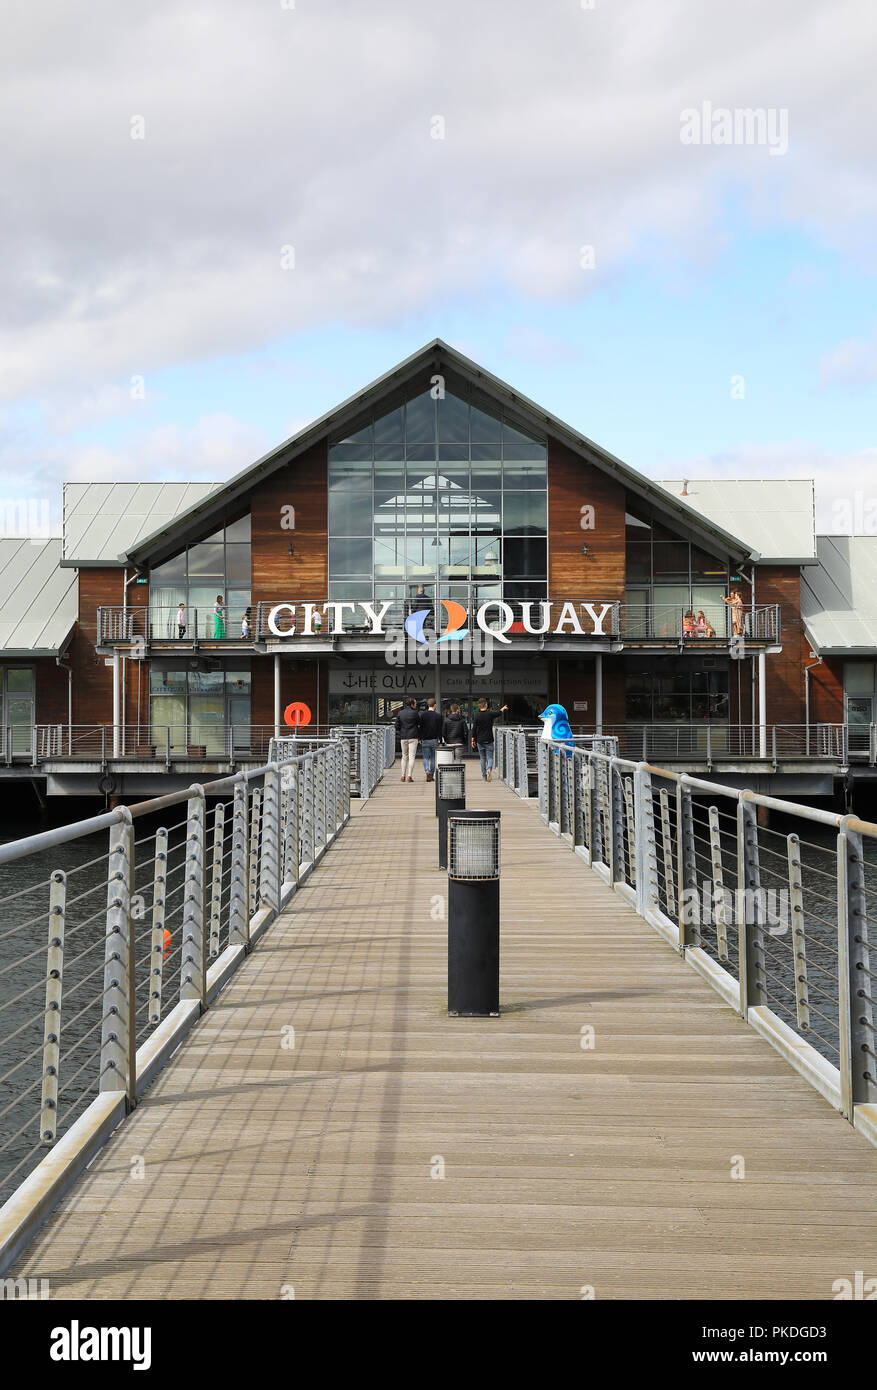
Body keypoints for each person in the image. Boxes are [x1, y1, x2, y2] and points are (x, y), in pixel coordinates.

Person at [471, 697, 508, 780]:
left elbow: (474, 728)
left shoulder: (476, 715)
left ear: (479, 706)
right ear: (486, 704)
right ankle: (489, 769)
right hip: (489, 739)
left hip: (480, 740)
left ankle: (484, 776)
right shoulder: (490, 713)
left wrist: (473, 739)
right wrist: (503, 708)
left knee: (482, 758)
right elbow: (499, 713)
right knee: (490, 758)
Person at [395, 697, 421, 782]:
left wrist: (402, 731)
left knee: (404, 756)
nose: (416, 705)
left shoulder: (400, 713)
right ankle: (409, 776)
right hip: (413, 736)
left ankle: (403, 776)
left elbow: (397, 726)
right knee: (412, 756)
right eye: (415, 703)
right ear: (412, 704)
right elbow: (419, 723)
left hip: (403, 737)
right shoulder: (415, 713)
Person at [419, 697, 443, 781]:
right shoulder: (438, 716)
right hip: (434, 739)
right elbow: (440, 729)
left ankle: (427, 771)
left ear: (428, 705)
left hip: (425, 739)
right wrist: (440, 740)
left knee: (425, 757)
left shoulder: (423, 715)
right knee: (433, 758)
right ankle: (431, 775)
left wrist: (420, 738)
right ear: (435, 705)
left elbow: (421, 728)